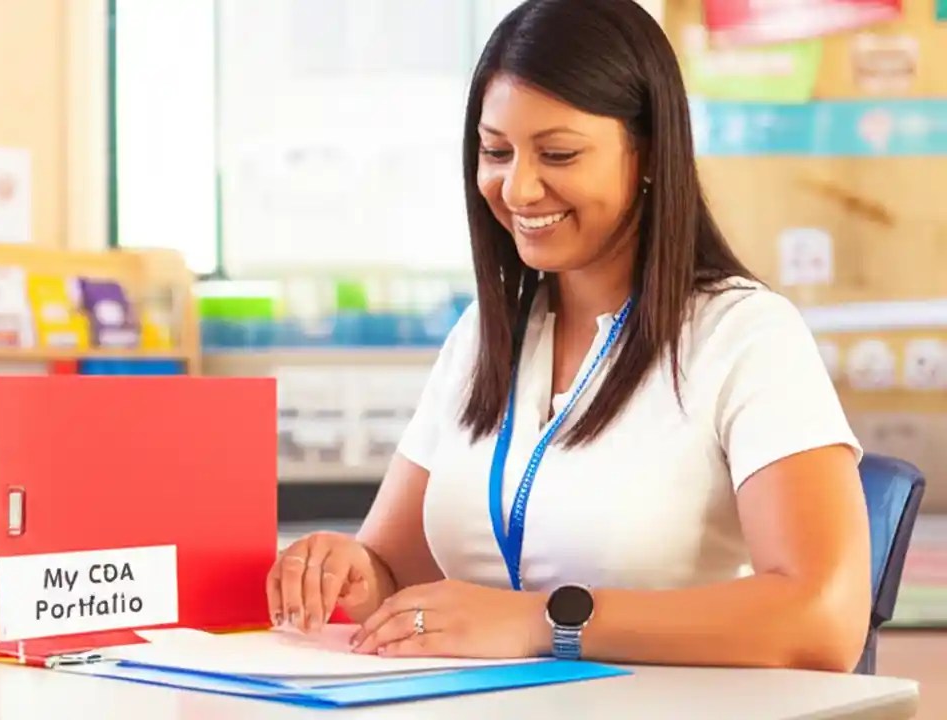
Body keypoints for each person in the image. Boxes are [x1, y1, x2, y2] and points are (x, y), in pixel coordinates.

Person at [266, 0, 871, 673]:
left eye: (558, 153)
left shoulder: (745, 336)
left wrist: (540, 622)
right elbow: (390, 568)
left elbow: (823, 620)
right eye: (495, 151)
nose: (519, 187)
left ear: (646, 153)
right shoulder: (484, 337)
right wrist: (346, 571)